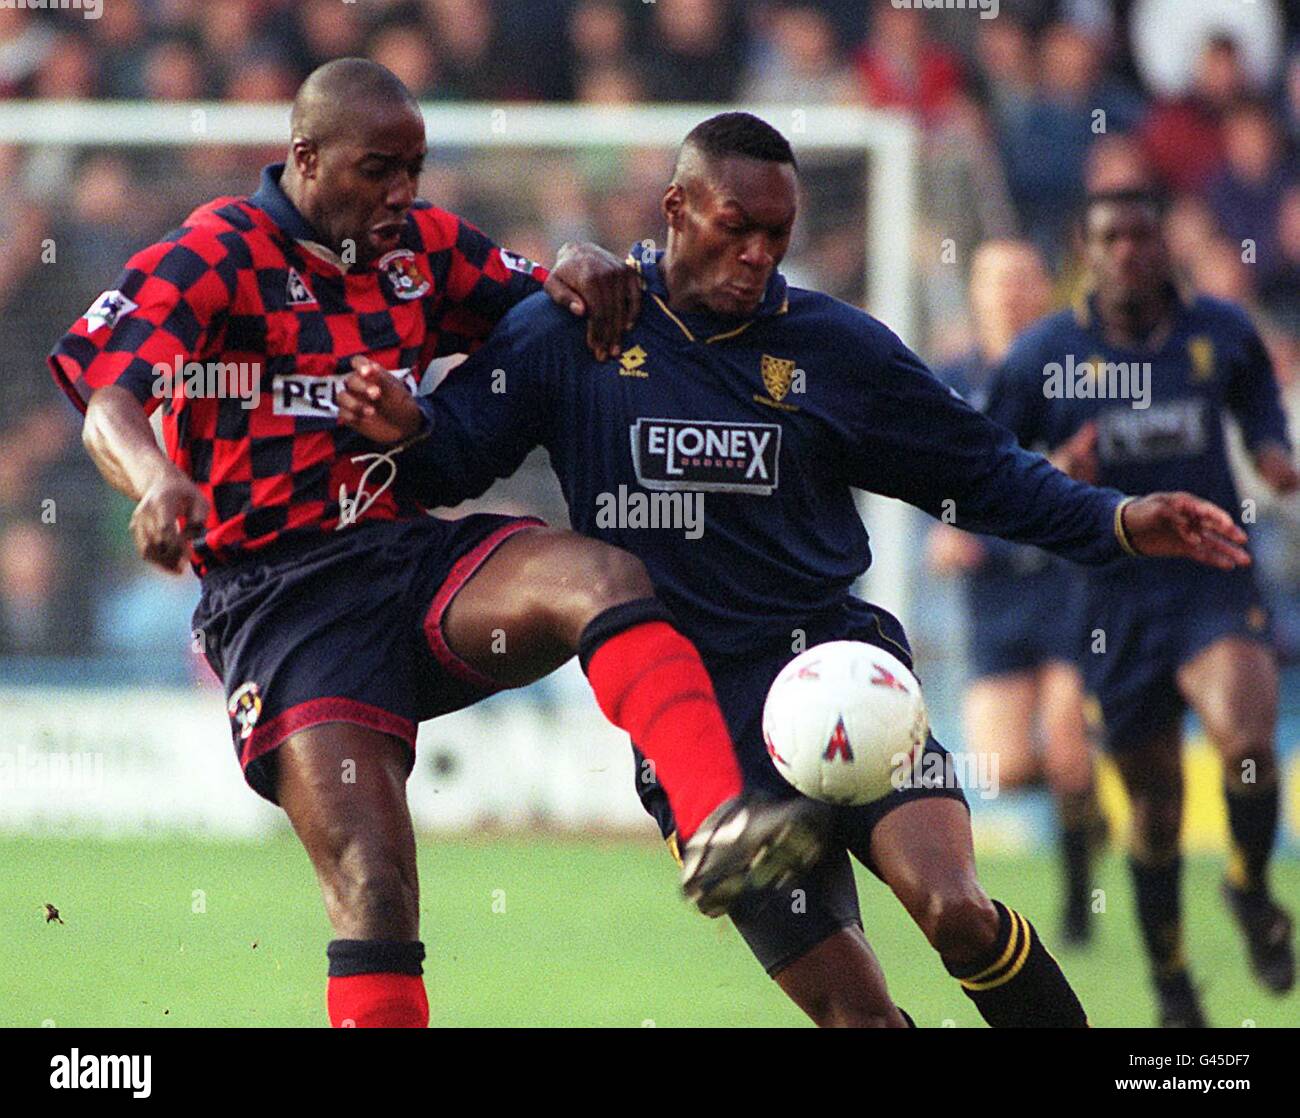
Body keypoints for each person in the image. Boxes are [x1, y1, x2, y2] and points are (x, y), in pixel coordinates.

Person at [337, 113, 1252, 1028]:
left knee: (957, 911)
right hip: (703, 729)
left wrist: (1119, 519)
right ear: (676, 208)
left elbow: (977, 472)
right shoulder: (574, 334)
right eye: (738, 227)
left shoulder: (834, 348)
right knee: (857, 1016)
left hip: (842, 671)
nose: (759, 255)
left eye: (779, 235)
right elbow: (451, 457)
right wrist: (400, 428)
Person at [47, 64, 824, 1029]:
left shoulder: (422, 249)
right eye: (378, 170)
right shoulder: (219, 250)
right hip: (279, 606)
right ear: (305, 157)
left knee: (599, 575)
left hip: (404, 562)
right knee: (376, 887)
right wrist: (159, 477)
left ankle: (718, 822)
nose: (401, 194)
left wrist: (579, 264)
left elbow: (544, 304)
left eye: (413, 168)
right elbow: (107, 398)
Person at [984, 189, 1297, 1027]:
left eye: (1142, 234)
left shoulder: (1220, 331)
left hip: (1213, 579)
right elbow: (986, 462)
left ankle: (1249, 887)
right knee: (1154, 810)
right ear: (1084, 254)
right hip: (1110, 602)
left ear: (1165, 245)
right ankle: (1171, 980)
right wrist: (1057, 470)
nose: (1129, 250)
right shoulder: (1043, 355)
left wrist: (1273, 453)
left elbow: (1261, 404)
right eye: (1109, 237)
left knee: (1247, 743)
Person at [926, 239, 1104, 946]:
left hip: (1067, 583)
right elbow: (928, 473)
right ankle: (1087, 806)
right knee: (1002, 766)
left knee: (1064, 743)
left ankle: (1075, 901)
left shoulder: (1075, 376)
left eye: (1021, 279)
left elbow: (1091, 475)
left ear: (1044, 290)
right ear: (974, 292)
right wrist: (940, 530)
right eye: (992, 280)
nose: (1006, 294)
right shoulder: (947, 378)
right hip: (992, 596)